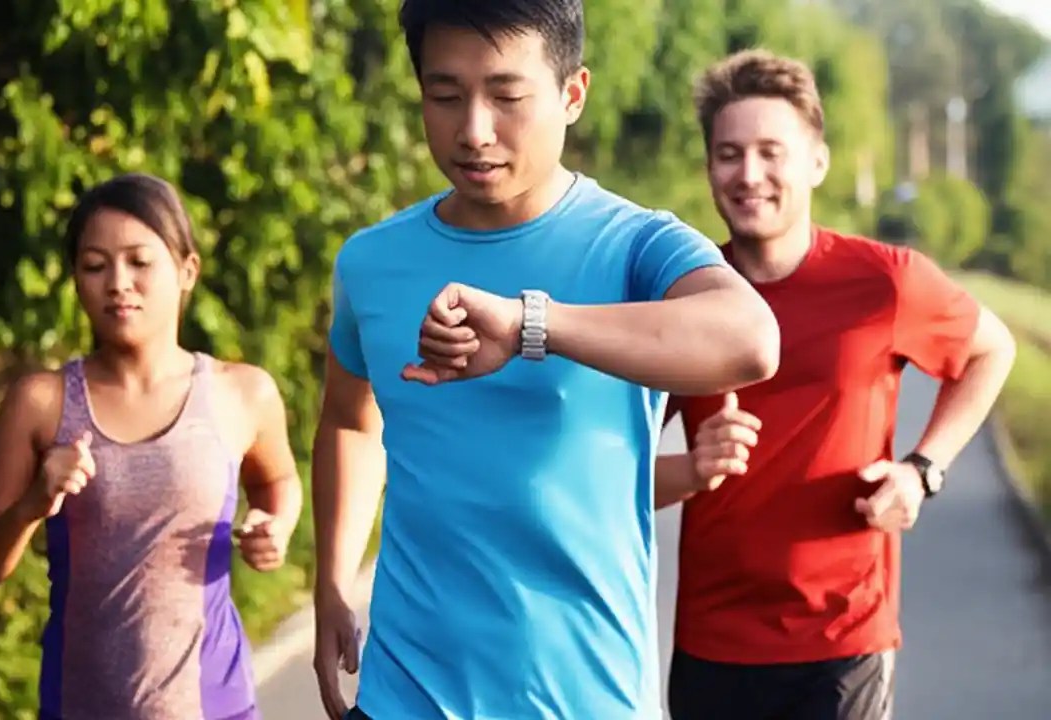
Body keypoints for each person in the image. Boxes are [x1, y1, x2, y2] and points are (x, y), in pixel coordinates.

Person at [309, 2, 783, 718]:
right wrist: (333, 580)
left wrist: (535, 325)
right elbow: (350, 421)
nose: (473, 130)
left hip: (585, 698)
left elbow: (751, 340)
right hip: (404, 693)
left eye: (507, 96)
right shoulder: (371, 262)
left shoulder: (635, 246)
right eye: (445, 95)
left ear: (572, 94)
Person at [657, 50, 1017, 720]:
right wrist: (689, 468)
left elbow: (992, 350)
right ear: (708, 166)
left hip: (843, 639)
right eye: (728, 153)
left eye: (772, 151)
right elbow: (608, 475)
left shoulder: (885, 282)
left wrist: (921, 470)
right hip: (713, 643)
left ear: (816, 162)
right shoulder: (682, 297)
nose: (749, 174)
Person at [0, 173, 302, 720]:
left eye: (140, 262)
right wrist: (31, 506)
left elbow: (278, 481)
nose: (119, 282)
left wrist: (275, 526)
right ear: (76, 279)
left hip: (216, 706)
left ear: (187, 271)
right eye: (95, 265)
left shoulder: (242, 394)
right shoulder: (41, 404)